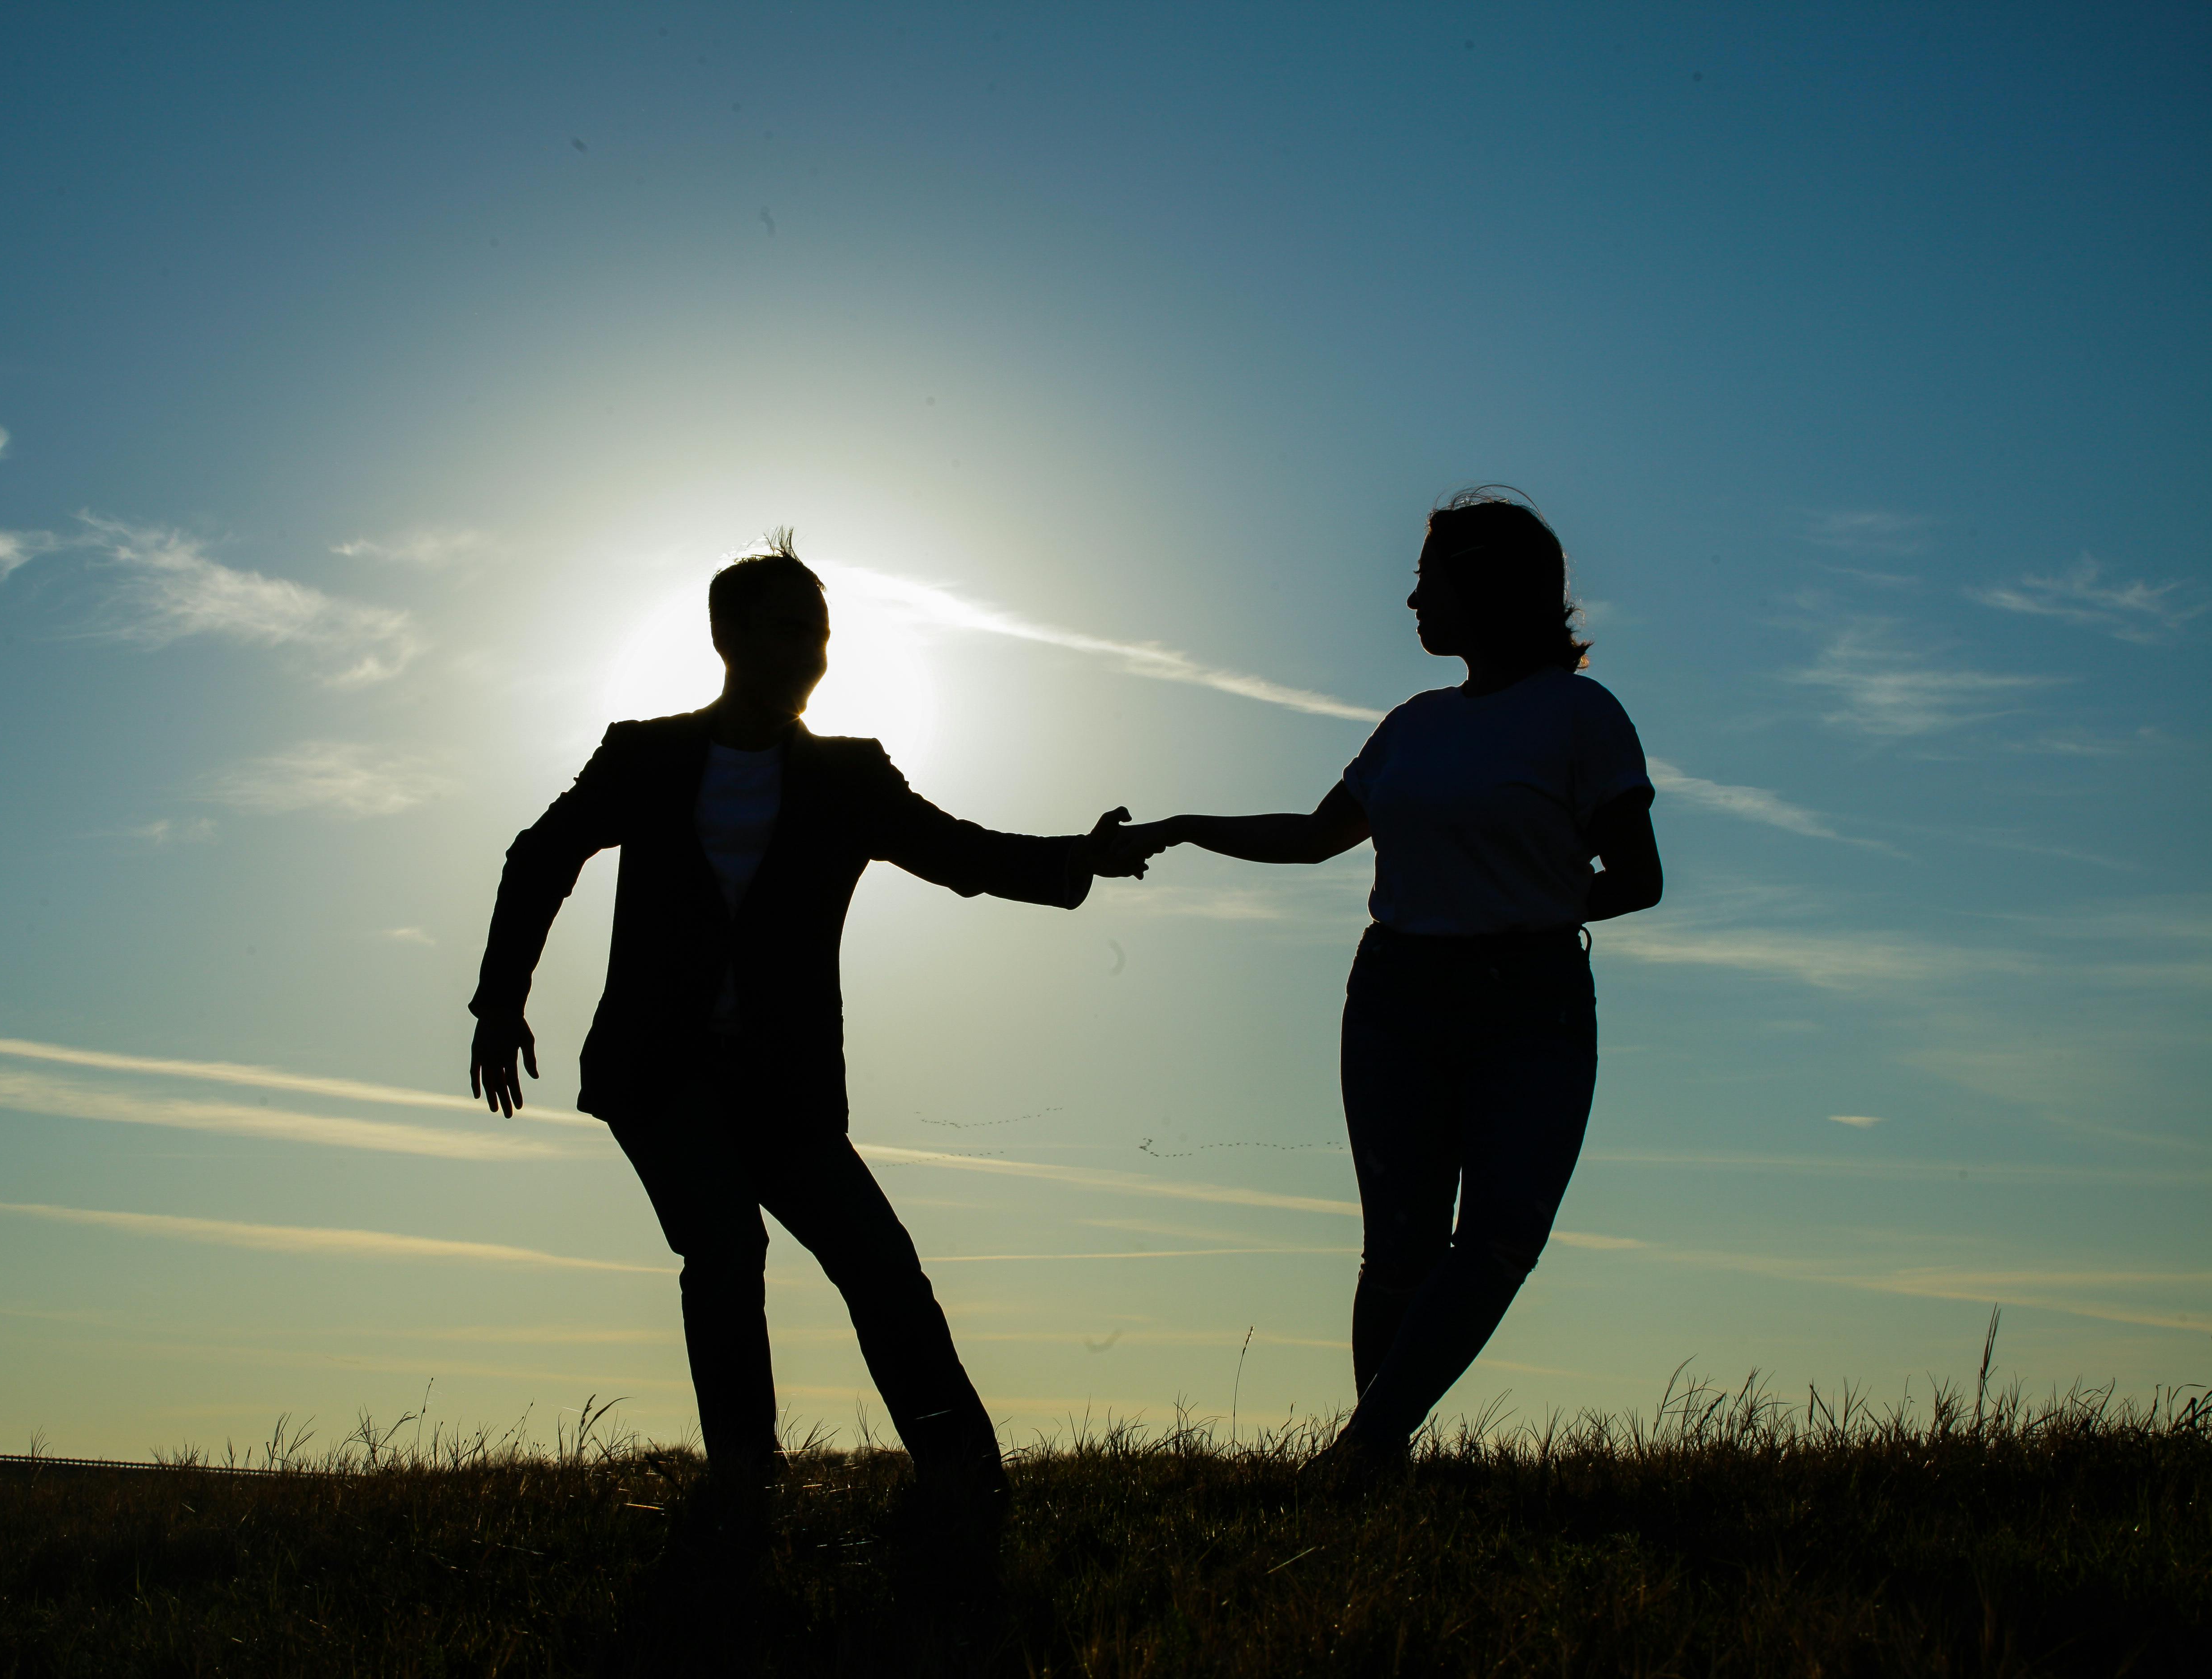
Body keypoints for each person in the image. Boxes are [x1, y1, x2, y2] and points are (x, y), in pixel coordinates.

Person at [467, 529, 1143, 1549]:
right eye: (788, 631)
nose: (811, 654)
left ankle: (963, 1475)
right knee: (725, 1249)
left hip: (782, 1079)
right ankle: (746, 1476)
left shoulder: (849, 774)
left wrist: (1080, 859)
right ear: (725, 636)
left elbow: (958, 854)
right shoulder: (644, 755)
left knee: (879, 1262)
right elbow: (541, 856)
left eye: (821, 636)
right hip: (659, 1069)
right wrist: (498, 999)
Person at [1106, 489, 1663, 1488]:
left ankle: (1364, 1448)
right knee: (1399, 1248)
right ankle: (1377, 1460)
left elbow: (1638, 878)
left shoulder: (1581, 715)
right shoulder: (1412, 724)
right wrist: (1187, 826)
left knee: (1497, 1237)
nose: (1411, 600)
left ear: (1486, 587)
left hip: (1528, 1002)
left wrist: (1527, 904)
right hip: (1398, 996)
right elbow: (1317, 836)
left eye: (1428, 579)